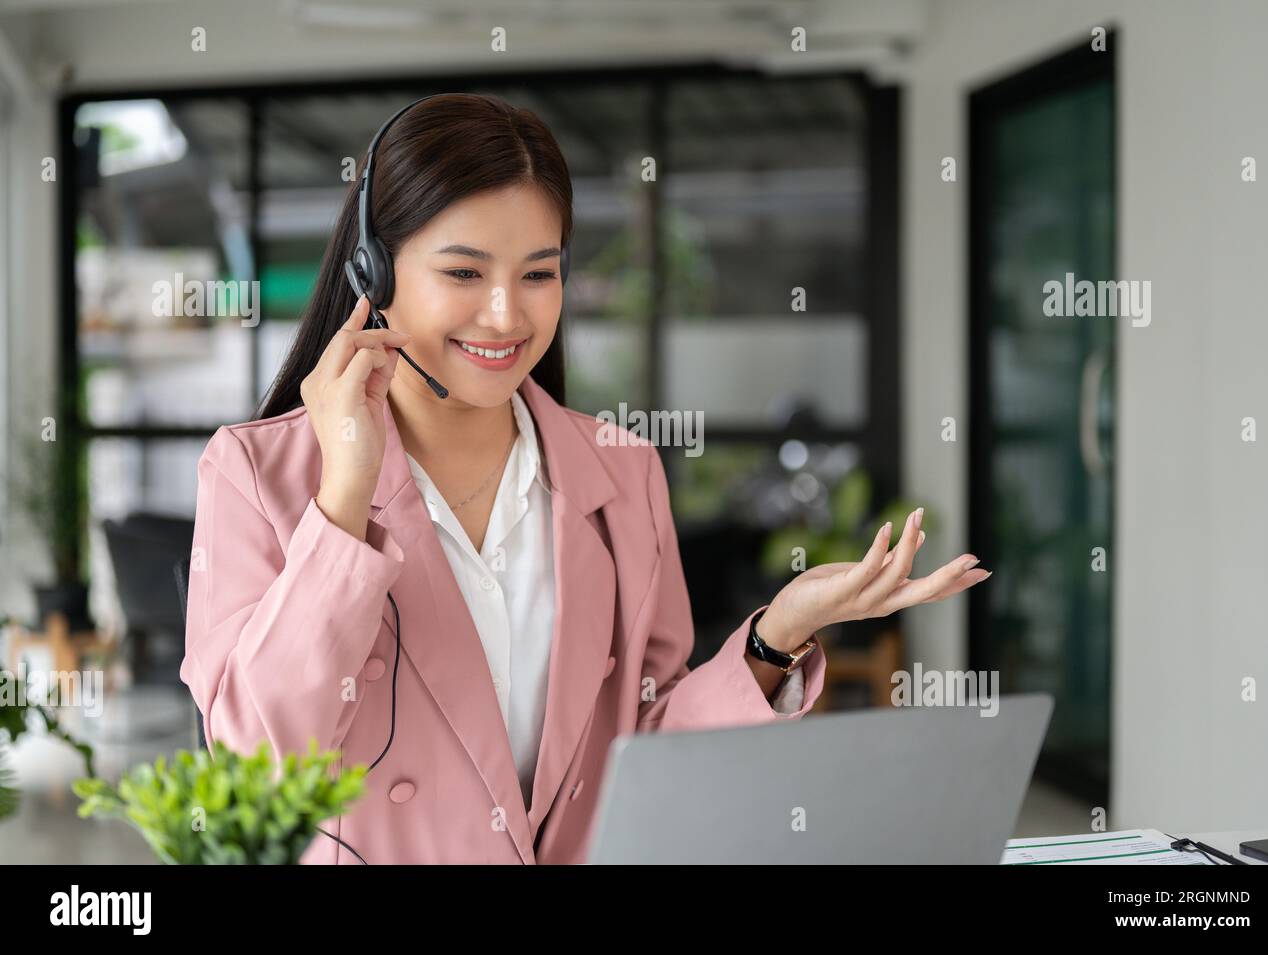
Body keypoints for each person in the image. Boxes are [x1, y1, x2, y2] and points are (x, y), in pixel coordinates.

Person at [179, 92, 990, 864]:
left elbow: (642, 751)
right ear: (372, 277)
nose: (507, 315)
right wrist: (345, 499)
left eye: (539, 273)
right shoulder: (258, 474)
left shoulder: (623, 472)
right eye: (464, 273)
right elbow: (252, 764)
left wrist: (775, 633)